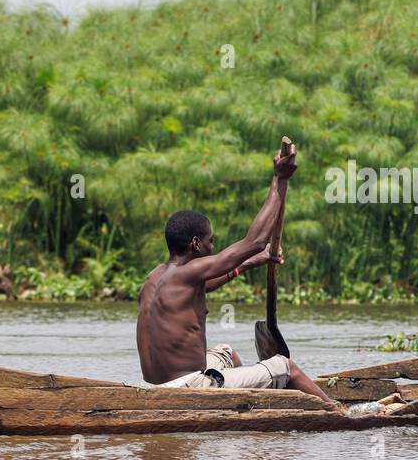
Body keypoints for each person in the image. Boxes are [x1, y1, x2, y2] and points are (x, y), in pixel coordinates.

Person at [136, 141, 343, 412]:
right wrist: (278, 180)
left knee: (224, 351)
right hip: (188, 387)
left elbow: (205, 286)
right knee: (285, 365)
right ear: (196, 244)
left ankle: (247, 404)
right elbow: (255, 241)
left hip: (157, 386)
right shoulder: (189, 272)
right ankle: (338, 412)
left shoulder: (156, 278)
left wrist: (247, 265)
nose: (213, 248)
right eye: (211, 242)